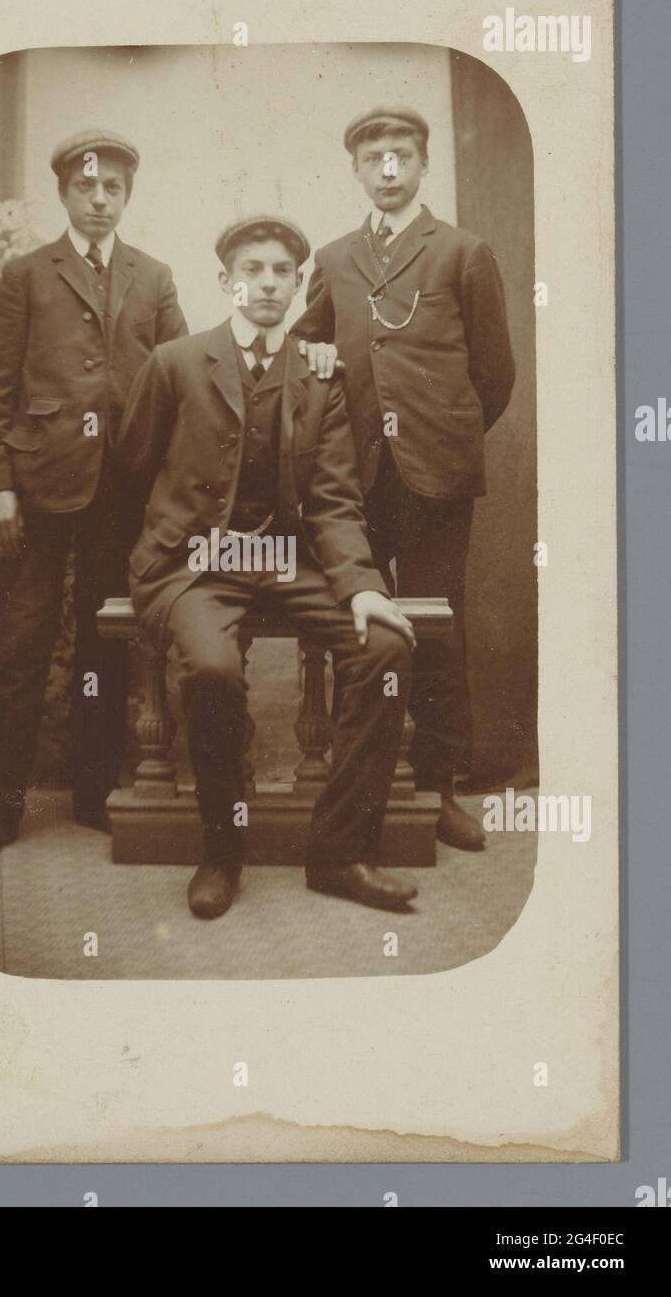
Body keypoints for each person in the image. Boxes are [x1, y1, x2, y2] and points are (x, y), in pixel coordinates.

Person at [117, 215, 418, 919]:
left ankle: (340, 851)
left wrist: (365, 588)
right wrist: (167, 549)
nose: (267, 283)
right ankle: (223, 850)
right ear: (226, 282)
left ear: (297, 283)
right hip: (197, 563)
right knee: (214, 671)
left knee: (387, 647)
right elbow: (132, 466)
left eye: (282, 271)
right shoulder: (177, 363)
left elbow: (336, 497)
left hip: (284, 558)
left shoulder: (318, 373)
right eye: (252, 269)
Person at [0, 129, 187, 867]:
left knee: (105, 648)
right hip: (36, 490)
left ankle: (94, 795)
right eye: (85, 187)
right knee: (21, 647)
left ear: (126, 195)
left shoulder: (153, 278)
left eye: (111, 188)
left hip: (120, 495)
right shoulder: (27, 276)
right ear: (65, 193)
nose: (97, 199)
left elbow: (182, 381)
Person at [292, 106, 515, 851]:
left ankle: (440, 785)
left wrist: (441, 435)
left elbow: (494, 375)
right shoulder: (332, 257)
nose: (388, 169)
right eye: (374, 158)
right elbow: (302, 350)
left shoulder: (462, 251)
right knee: (361, 624)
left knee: (435, 627)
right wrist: (316, 362)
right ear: (357, 170)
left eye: (401, 155)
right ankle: (362, 784)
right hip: (356, 478)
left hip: (434, 476)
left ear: (422, 165)